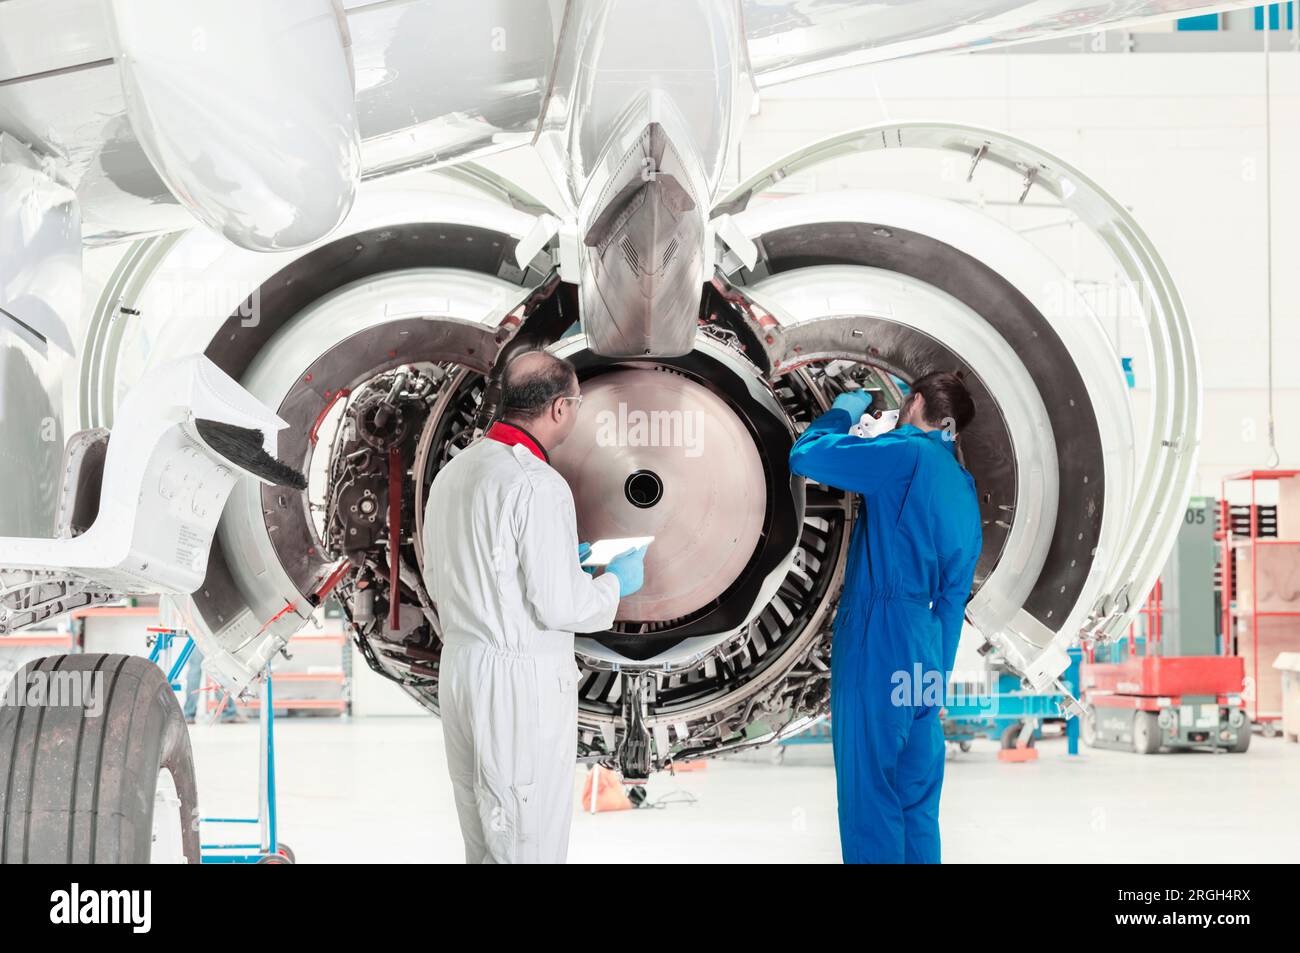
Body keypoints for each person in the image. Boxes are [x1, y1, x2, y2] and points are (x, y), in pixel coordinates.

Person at [421, 349, 648, 864]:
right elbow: (561, 608)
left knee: (484, 837)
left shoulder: (455, 474)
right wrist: (614, 582)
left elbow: (444, 577)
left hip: (462, 670)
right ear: (560, 409)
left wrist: (563, 565)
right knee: (527, 840)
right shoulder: (538, 484)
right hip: (516, 687)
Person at [788, 371, 982, 864]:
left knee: (869, 793)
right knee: (916, 801)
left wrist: (845, 412)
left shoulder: (904, 454)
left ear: (914, 402)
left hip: (879, 639)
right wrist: (934, 680)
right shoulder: (963, 485)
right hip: (926, 647)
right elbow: (955, 599)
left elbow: (806, 455)